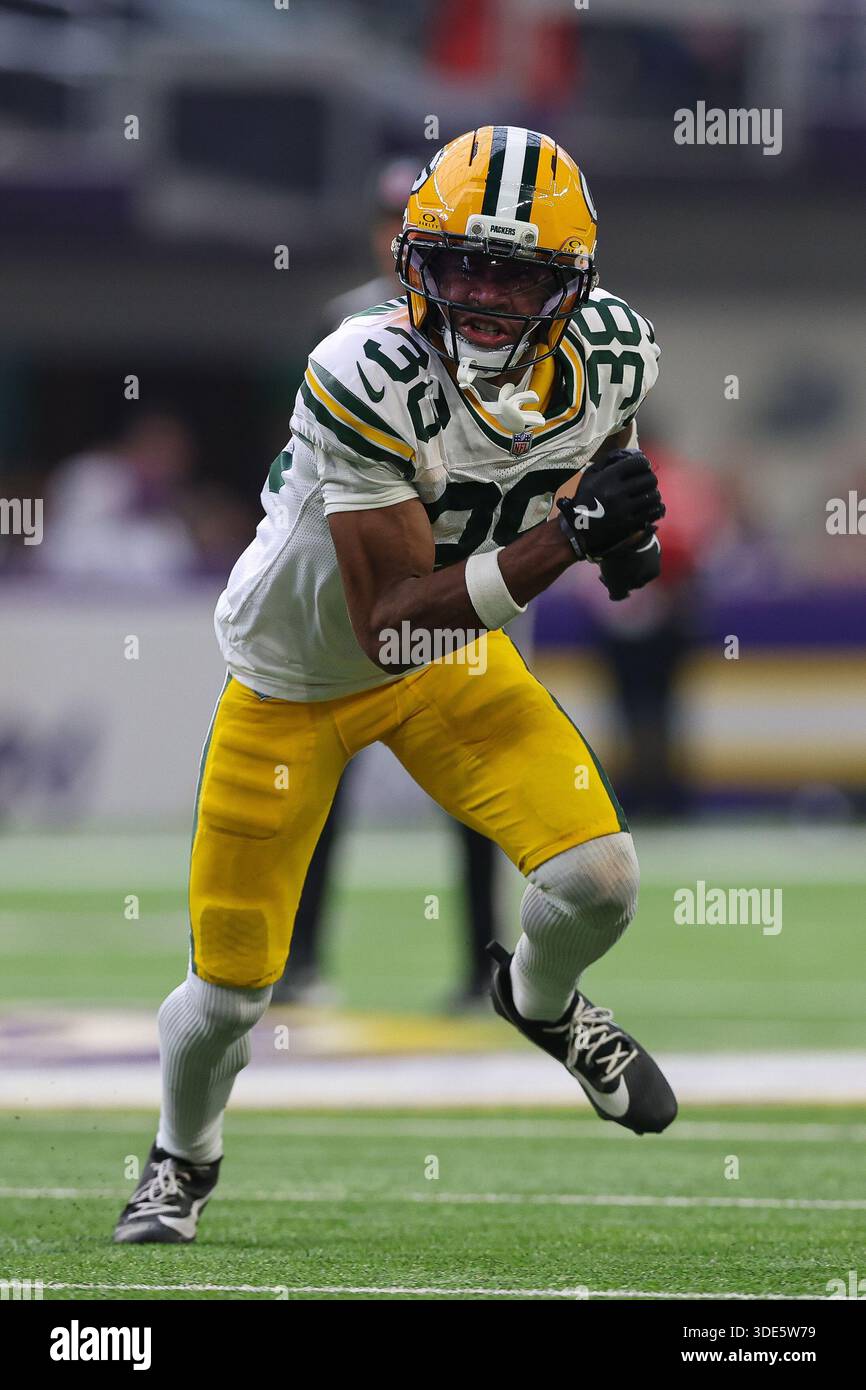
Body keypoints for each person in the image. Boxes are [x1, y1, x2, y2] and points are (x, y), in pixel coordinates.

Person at [114, 125, 676, 1245]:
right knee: (229, 997)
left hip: (452, 658)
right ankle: (182, 1154)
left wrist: (615, 535)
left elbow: (587, 447)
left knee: (601, 879)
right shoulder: (363, 367)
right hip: (303, 671)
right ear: (412, 257)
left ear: (567, 290)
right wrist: (572, 535)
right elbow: (388, 621)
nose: (474, 295)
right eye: (455, 262)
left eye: (509, 273)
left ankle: (539, 998)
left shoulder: (615, 353)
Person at [274, 157, 503, 1011]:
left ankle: (485, 964)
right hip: (360, 591)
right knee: (319, 786)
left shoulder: (488, 324)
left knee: (474, 786)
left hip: (450, 587)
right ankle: (301, 958)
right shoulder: (348, 326)